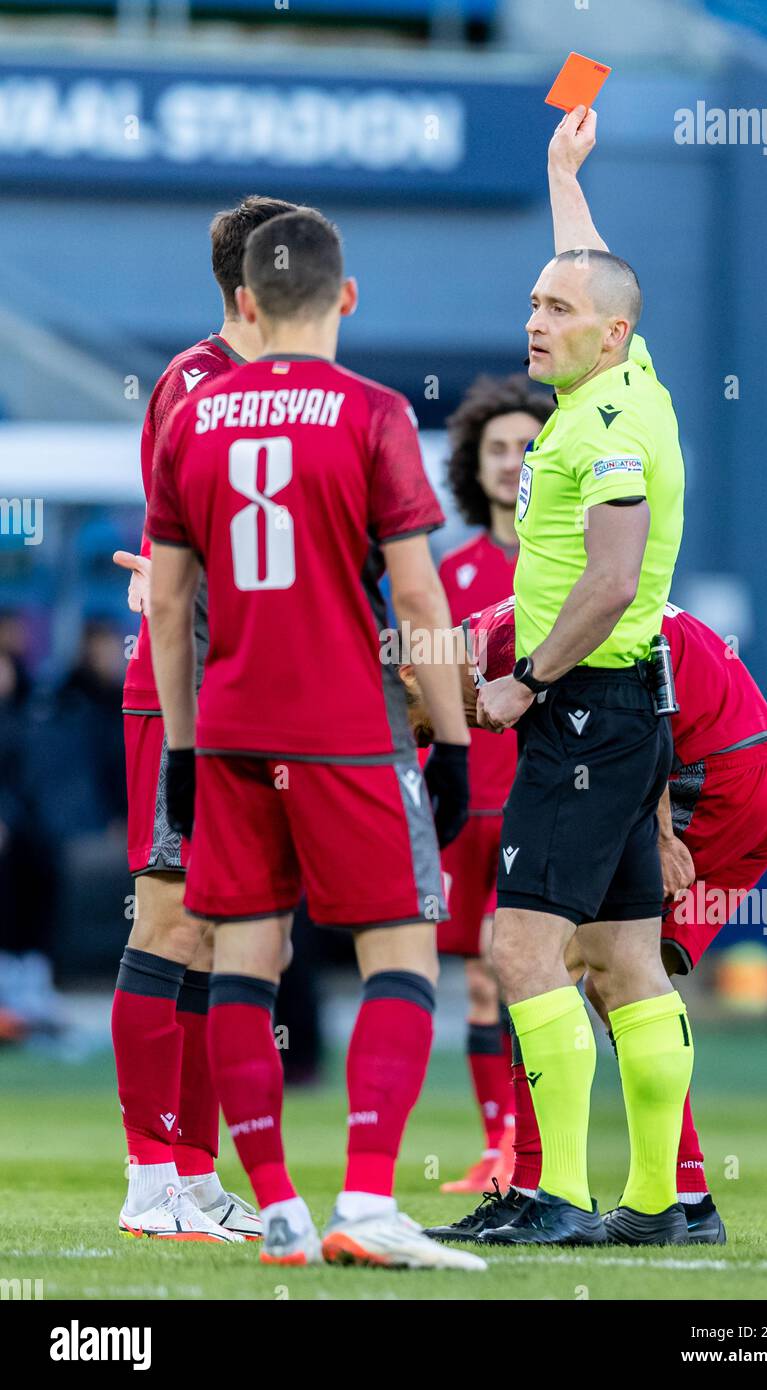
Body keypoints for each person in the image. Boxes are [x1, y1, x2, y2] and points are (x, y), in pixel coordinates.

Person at [147, 207, 483, 1272]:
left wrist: (179, 753)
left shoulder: (190, 417)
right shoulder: (373, 413)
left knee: (247, 959)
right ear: (345, 297)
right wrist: (460, 742)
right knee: (398, 954)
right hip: (345, 729)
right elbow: (420, 595)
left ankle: (280, 1207)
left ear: (243, 303)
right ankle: (370, 1198)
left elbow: (166, 606)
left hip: (233, 730)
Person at [401, 593, 767, 1244]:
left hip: (712, 777)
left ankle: (546, 1191)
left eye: (422, 725)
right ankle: (677, 1200)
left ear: (417, 673)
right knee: (619, 976)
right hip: (743, 766)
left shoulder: (504, 647)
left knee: (558, 960)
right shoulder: (509, 623)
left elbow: (633, 715)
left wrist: (662, 832)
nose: (442, 737)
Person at [465, 95, 688, 1244]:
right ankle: (660, 1204)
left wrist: (522, 684)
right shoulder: (629, 374)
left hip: (585, 711)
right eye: (530, 302)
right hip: (627, 707)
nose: (532, 319)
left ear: (600, 333)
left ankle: (553, 1195)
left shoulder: (601, 425)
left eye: (553, 308)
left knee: (519, 945)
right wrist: (564, 170)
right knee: (626, 958)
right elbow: (598, 275)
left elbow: (608, 578)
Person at [111, 196, 300, 1244]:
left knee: (220, 935)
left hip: (248, 691)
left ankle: (190, 1172)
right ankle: (150, 1180)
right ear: (251, 292)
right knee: (170, 921)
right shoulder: (199, 384)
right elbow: (198, 548)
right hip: (185, 690)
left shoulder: (279, 396)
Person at [435, 376, 552, 1195]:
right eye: (497, 449)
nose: (512, 463)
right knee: (476, 979)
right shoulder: (444, 574)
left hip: (539, 802)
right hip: (461, 806)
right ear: (473, 467)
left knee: (517, 971)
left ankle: (528, 1144)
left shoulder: (573, 567)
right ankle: (496, 1147)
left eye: (527, 447)